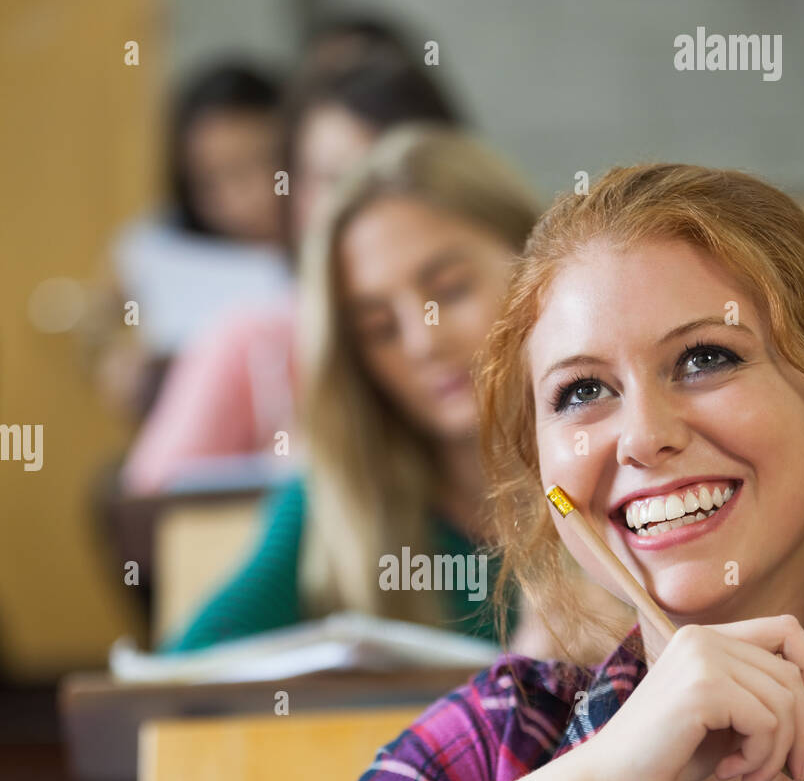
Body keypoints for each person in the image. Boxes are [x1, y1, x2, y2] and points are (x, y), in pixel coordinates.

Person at [120, 163, 804, 781]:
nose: (642, 436)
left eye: (706, 358)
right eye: (583, 392)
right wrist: (597, 779)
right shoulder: (515, 733)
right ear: (547, 474)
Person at [157, 124, 629, 652]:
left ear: (540, 265)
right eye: (378, 328)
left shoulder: (637, 455)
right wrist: (511, 694)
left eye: (450, 291)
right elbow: (171, 690)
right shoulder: (329, 505)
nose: (422, 341)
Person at [120, 49, 461, 497]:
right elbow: (151, 508)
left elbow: (558, 495)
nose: (421, 342)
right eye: (337, 180)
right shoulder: (255, 341)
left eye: (399, 176)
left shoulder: (521, 310)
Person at [85, 59, 292, 425]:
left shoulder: (337, 243)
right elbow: (100, 327)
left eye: (263, 163)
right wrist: (120, 363)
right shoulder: (154, 248)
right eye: (212, 180)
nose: (245, 200)